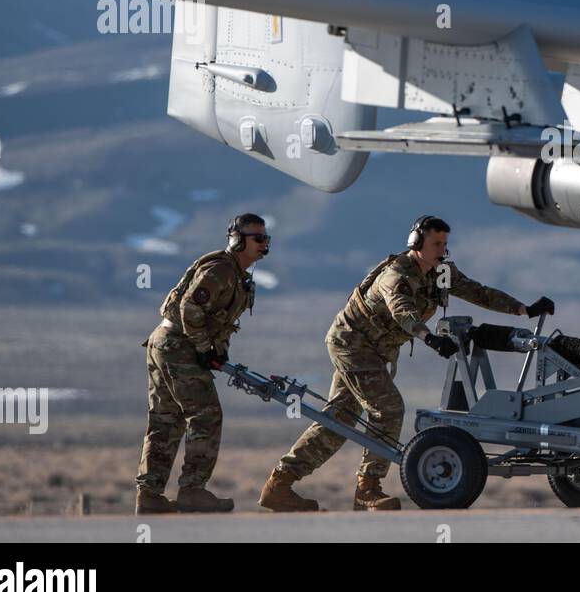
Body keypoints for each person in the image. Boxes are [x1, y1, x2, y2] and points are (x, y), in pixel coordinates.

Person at [259, 216, 554, 512]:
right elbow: (402, 311)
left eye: (445, 244)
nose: (442, 250)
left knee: (340, 419)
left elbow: (477, 292)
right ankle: (367, 489)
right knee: (388, 409)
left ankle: (280, 485)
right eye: (436, 243)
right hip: (353, 345)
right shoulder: (396, 274)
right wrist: (429, 338)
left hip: (375, 351)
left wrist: (522, 309)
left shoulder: (441, 273)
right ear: (416, 243)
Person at [136, 213, 268, 514]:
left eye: (266, 239)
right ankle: (192, 490)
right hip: (177, 345)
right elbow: (190, 306)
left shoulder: (236, 275)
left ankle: (150, 496)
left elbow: (217, 320)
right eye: (257, 238)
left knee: (166, 420)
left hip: (168, 343)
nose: (264, 245)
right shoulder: (221, 270)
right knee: (206, 415)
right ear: (237, 240)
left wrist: (215, 350)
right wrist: (203, 347)